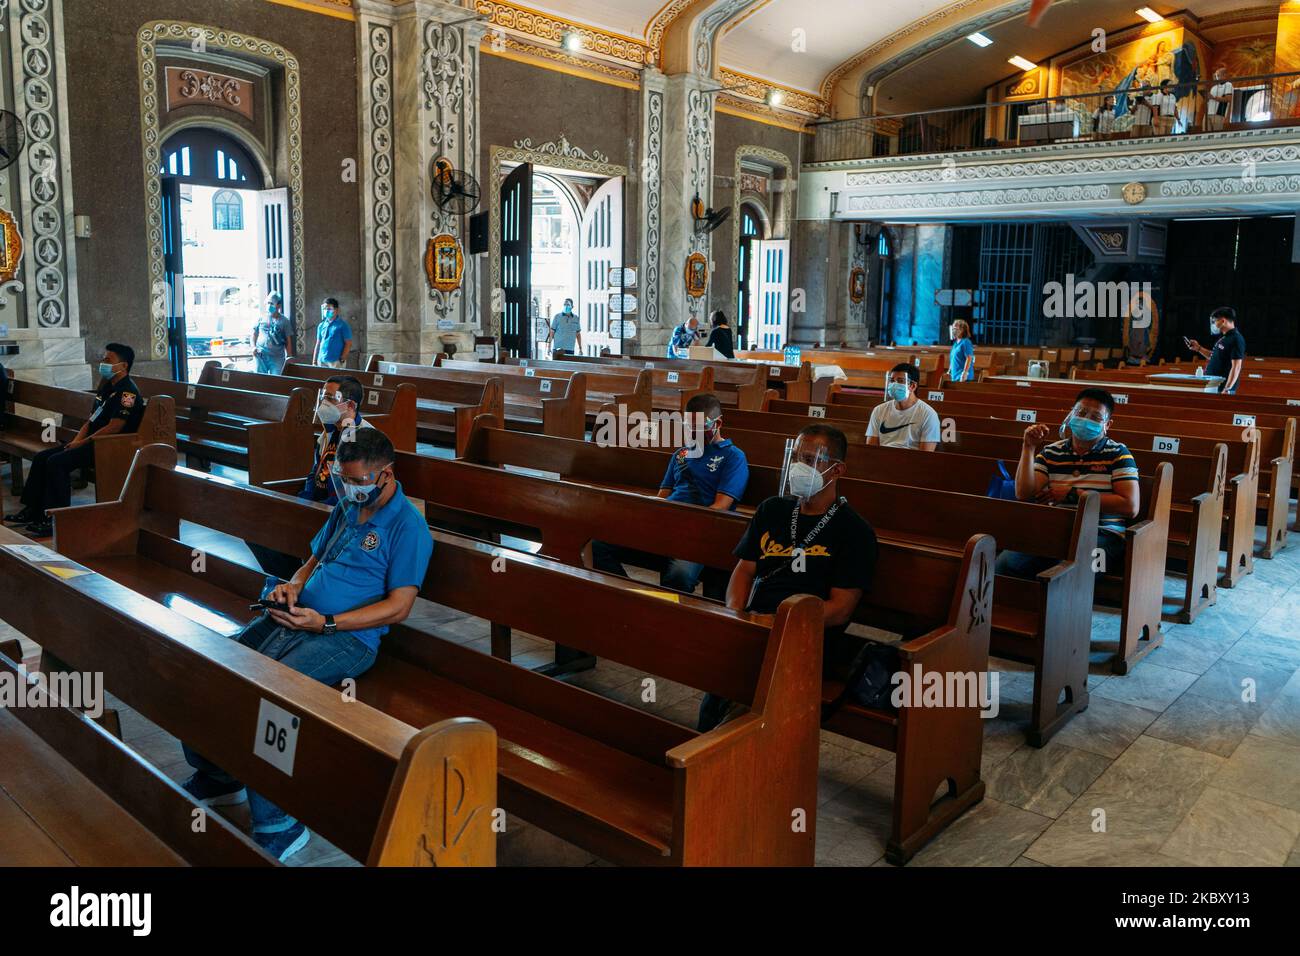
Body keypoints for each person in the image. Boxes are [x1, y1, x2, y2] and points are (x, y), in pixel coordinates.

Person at [180, 428, 433, 861]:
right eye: (343, 480)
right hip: (299, 618)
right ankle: (218, 774)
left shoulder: (408, 526)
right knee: (216, 663)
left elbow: (399, 607)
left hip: (349, 638)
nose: (349, 489)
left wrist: (327, 622)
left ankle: (280, 821)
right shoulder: (348, 508)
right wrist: (292, 589)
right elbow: (311, 561)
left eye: (357, 482)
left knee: (272, 693)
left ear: (386, 475)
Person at [700, 424, 877, 731]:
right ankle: (711, 745)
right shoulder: (773, 510)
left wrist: (782, 624)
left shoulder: (854, 531)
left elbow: (841, 609)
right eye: (796, 458)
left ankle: (719, 756)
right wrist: (736, 614)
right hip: (757, 625)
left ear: (837, 471)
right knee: (719, 671)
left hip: (807, 636)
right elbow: (744, 570)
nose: (799, 467)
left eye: (810, 461)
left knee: (749, 688)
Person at [591, 393, 748, 599]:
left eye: (699, 427)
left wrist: (682, 525)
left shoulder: (733, 457)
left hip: (698, 534)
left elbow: (719, 509)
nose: (692, 432)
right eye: (688, 426)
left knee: (679, 574)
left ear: (718, 423)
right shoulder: (681, 454)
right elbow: (662, 498)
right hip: (665, 525)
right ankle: (630, 598)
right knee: (599, 545)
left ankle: (667, 614)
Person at [998, 388, 1139, 579]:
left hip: (1103, 535)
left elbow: (1130, 506)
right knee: (1005, 564)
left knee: (1065, 573)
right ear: (1071, 414)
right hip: (1056, 530)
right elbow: (1023, 492)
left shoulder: (1118, 453)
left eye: (1096, 417)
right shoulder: (1052, 452)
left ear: (1107, 424)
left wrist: (1074, 494)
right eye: (1081, 413)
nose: (1086, 419)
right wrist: (1028, 447)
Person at [6, 344, 143, 538]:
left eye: (108, 360)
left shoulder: (128, 393)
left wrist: (83, 442)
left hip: (108, 446)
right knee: (42, 457)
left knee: (57, 463)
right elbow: (91, 420)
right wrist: (77, 440)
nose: (103, 363)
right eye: (104, 359)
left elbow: (115, 427)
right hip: (90, 442)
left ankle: (57, 518)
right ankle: (34, 510)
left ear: (124, 365)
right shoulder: (106, 387)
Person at [246, 375, 375, 581]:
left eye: (331, 398)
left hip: (340, 513)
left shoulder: (364, 438)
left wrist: (314, 508)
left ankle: (300, 584)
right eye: (323, 397)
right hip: (315, 506)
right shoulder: (329, 433)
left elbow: (355, 491)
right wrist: (302, 500)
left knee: (284, 531)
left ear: (350, 404)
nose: (324, 404)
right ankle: (292, 581)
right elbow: (315, 472)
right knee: (256, 530)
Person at [865, 363, 941, 451]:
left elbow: (925, 456)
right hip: (883, 459)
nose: (894, 385)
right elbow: (871, 449)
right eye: (892, 380)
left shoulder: (928, 414)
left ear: (912, 386)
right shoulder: (879, 410)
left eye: (900, 381)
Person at [1186, 306, 1245, 394]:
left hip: (1222, 388)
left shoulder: (1236, 339)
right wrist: (1198, 348)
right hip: (1213, 385)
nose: (1213, 324)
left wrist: (1227, 388)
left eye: (1214, 321)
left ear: (1223, 321)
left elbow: (1236, 367)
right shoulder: (1224, 337)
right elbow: (1213, 356)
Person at [253, 292, 294, 375]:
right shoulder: (261, 318)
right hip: (261, 354)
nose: (269, 305)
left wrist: (289, 356)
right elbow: (254, 334)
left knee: (277, 380)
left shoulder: (284, 321)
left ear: (278, 306)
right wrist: (253, 347)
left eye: (271, 303)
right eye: (268, 303)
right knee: (259, 380)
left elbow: (288, 340)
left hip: (277, 357)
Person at [314, 297, 352, 368]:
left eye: (329, 309)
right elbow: (318, 343)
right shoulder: (321, 325)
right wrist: (314, 361)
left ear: (336, 310)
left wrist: (342, 359)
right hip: (321, 360)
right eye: (325, 309)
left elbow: (348, 343)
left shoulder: (343, 325)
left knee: (335, 379)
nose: (326, 311)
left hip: (335, 361)